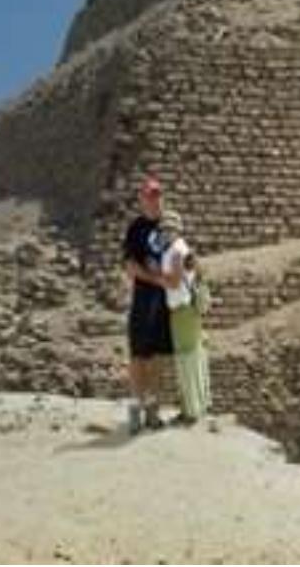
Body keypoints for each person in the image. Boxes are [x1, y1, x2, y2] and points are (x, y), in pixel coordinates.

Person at [121, 175, 175, 432]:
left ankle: (153, 411)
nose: (155, 200)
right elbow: (131, 267)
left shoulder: (169, 229)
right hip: (144, 302)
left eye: (158, 195)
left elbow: (179, 262)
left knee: (157, 358)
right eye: (150, 196)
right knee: (138, 357)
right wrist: (157, 278)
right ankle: (135, 409)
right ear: (142, 200)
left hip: (165, 304)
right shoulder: (136, 229)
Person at [156, 210, 211, 425]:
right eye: (164, 229)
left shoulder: (176, 251)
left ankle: (190, 411)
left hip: (182, 312)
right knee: (193, 357)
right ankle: (195, 406)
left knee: (186, 359)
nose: (165, 233)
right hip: (186, 311)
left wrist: (153, 277)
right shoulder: (181, 248)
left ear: (176, 230)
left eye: (169, 229)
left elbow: (174, 283)